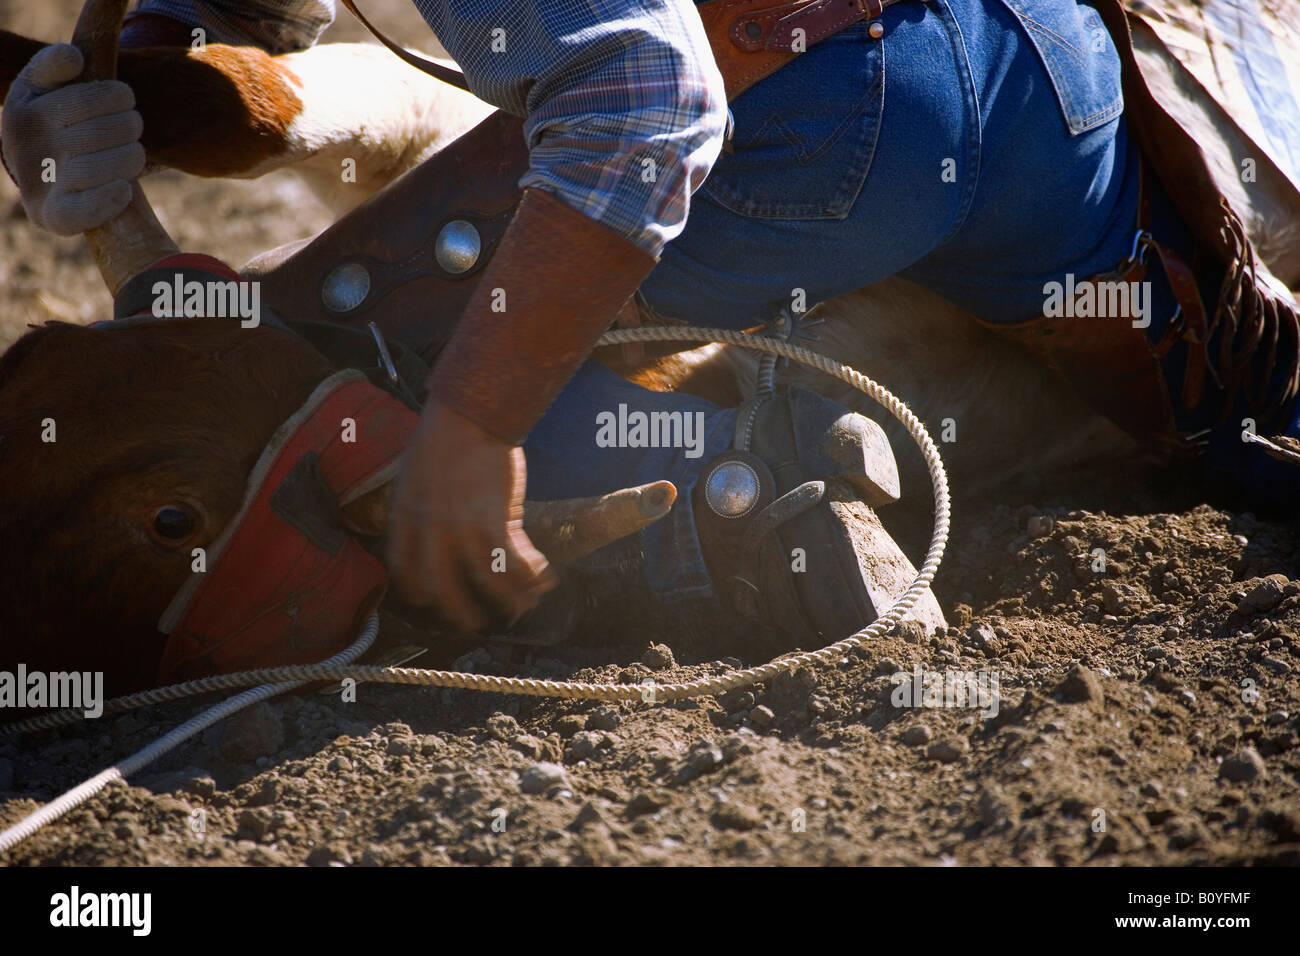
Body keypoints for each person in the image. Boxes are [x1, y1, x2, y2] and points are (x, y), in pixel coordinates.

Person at [4, 0, 1296, 648]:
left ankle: (740, 505)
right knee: (397, 325)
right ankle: (777, 476)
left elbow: (642, 97)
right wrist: (131, 102)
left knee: (410, 422)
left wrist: (472, 423)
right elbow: (243, 23)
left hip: (828, 104)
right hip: (972, 78)